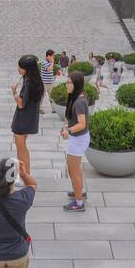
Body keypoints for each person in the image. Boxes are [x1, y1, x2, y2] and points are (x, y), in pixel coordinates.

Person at [61, 72, 90, 211]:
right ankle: (80, 191)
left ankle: (78, 203)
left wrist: (69, 131)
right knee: (76, 169)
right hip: (80, 138)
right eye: (67, 82)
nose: (67, 85)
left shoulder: (79, 101)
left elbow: (82, 123)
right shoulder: (79, 97)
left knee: (73, 171)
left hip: (78, 139)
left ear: (76, 84)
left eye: (69, 83)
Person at [11, 54, 44, 171]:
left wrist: (14, 93)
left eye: (20, 67)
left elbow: (20, 104)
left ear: (27, 69)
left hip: (22, 120)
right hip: (29, 118)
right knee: (22, 147)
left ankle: (25, 174)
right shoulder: (36, 81)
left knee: (21, 149)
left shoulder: (28, 83)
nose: (18, 69)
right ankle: (23, 173)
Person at [39, 50, 56, 115]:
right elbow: (49, 69)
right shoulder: (44, 62)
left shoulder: (51, 62)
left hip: (50, 82)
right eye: (52, 56)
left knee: (51, 96)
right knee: (42, 96)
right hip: (44, 83)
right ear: (48, 56)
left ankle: (54, 108)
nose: (53, 57)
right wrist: (52, 62)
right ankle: (40, 108)